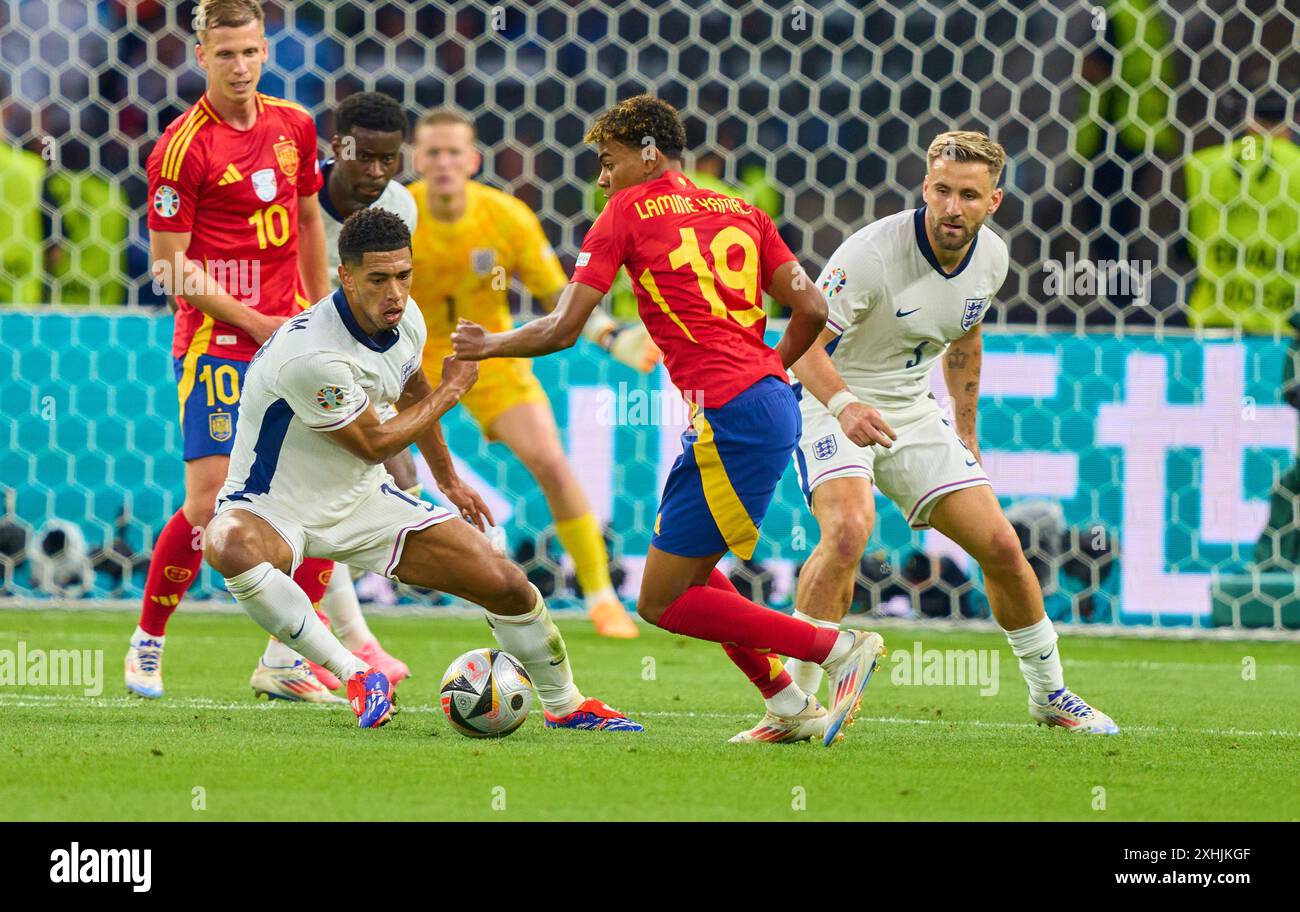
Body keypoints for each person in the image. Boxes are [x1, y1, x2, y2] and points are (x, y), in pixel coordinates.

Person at [452, 95, 883, 746]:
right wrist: (771, 364)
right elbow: (815, 306)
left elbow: (567, 326)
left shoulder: (625, 213)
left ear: (647, 152)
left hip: (733, 414)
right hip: (754, 403)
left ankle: (835, 647)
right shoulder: (744, 211)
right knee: (692, 573)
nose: (601, 179)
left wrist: (489, 346)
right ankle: (788, 702)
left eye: (607, 161)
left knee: (659, 602)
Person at [203, 207, 642, 732]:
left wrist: (450, 480)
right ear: (346, 277)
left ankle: (568, 706)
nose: (395, 292)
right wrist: (455, 389)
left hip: (365, 501)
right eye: (378, 279)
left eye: (404, 276)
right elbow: (375, 442)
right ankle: (355, 673)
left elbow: (413, 393)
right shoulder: (311, 355)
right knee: (228, 544)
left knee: (507, 584)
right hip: (274, 507)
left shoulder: (405, 318)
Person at [769, 131, 1118, 738]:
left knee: (1002, 547)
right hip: (830, 398)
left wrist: (966, 431)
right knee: (849, 532)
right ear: (924, 187)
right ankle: (793, 708)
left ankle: (1050, 696)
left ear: (994, 201)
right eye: (942, 191)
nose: (952, 207)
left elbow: (965, 336)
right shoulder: (871, 253)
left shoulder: (993, 258)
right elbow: (800, 350)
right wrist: (847, 404)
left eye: (969, 195)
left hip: (910, 409)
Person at [127, 0, 340, 703]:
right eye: (226, 55)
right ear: (201, 57)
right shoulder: (182, 147)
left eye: (251, 52)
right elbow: (171, 267)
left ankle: (285, 657)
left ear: (266, 49)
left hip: (291, 339)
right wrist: (254, 321)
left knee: (325, 503)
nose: (241, 66)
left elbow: (309, 216)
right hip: (218, 343)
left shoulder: (296, 126)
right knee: (208, 506)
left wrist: (314, 309)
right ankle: (150, 639)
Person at [407, 107, 657, 639]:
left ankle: (600, 594)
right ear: (416, 159)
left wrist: (611, 337)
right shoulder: (399, 212)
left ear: (473, 159)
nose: (444, 162)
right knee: (361, 471)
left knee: (551, 462)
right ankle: (335, 604)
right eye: (433, 152)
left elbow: (556, 295)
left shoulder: (506, 216)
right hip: (409, 366)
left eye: (454, 152)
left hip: (490, 358)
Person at [297, 89, 423, 690]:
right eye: (364, 158)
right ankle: (342, 646)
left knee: (334, 498)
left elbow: (388, 315)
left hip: (355, 372)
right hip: (289, 360)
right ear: (336, 148)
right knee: (321, 500)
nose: (376, 173)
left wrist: (390, 405)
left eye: (389, 160)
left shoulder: (400, 208)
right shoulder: (300, 202)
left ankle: (329, 648)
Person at [1184, 92, 1300, 335]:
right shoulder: (1296, 166)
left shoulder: (1205, 164)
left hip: (1214, 323)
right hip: (1284, 329)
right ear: (1294, 117)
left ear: (1244, 116)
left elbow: (1183, 246)